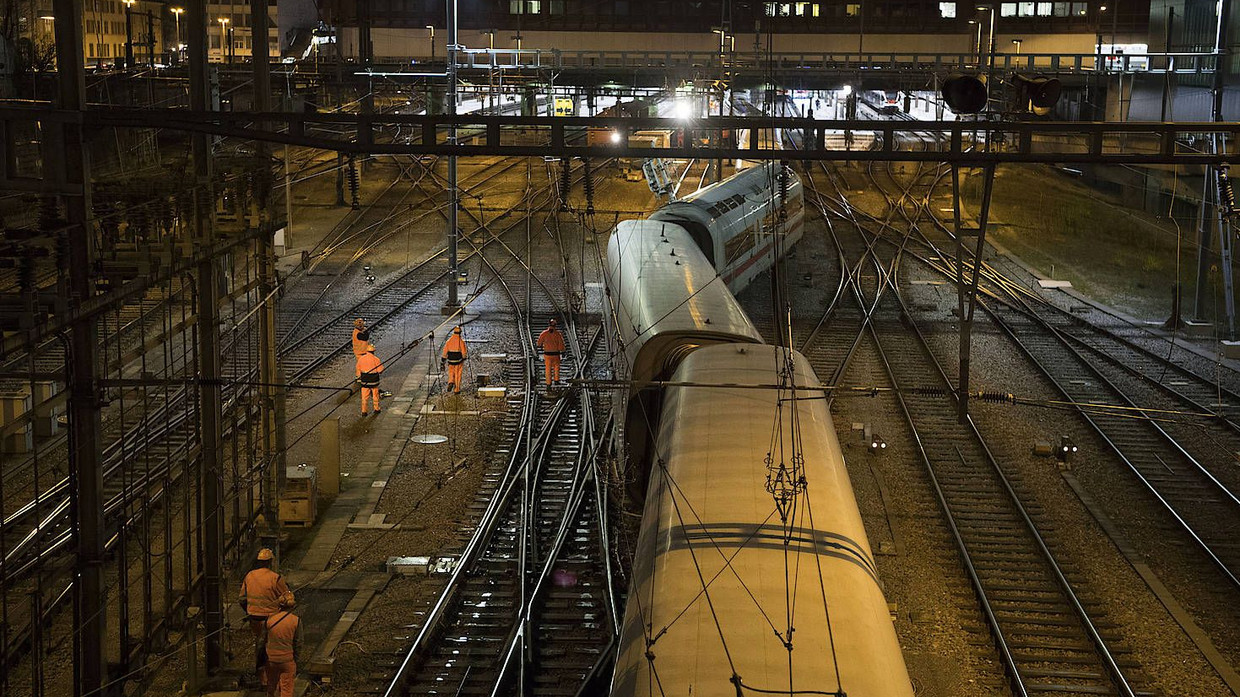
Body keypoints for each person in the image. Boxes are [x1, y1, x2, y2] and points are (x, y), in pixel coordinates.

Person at [239, 549, 290, 682]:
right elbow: (287, 599)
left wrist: (249, 610)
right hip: (271, 618)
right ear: (270, 562)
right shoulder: (275, 578)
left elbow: (242, 599)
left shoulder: (249, 576)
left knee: (259, 643)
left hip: (254, 617)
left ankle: (261, 673)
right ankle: (269, 673)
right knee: (271, 645)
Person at [260, 591, 302, 697]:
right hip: (287, 659)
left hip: (271, 659)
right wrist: (295, 658)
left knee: (271, 687)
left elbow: (262, 640)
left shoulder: (269, 619)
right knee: (287, 689)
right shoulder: (296, 620)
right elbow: (299, 642)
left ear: (279, 604)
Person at [356, 344, 384, 414]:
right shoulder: (376, 359)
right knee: (375, 396)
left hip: (365, 381)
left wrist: (359, 376)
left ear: (367, 351)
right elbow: (380, 370)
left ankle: (364, 411)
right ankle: (377, 409)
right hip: (374, 381)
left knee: (364, 397)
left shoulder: (361, 359)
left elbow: (358, 370)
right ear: (373, 351)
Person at [537, 319, 566, 386]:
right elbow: (561, 344)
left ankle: (548, 383)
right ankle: (556, 380)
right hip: (556, 354)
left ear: (549, 324)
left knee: (548, 369)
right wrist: (563, 350)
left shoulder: (544, 333)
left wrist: (541, 346)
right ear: (555, 326)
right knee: (556, 367)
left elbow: (539, 343)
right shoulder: (558, 334)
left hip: (547, 355)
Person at [441, 326, 467, 394]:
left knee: (451, 372)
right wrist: (464, 357)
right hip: (458, 360)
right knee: (458, 374)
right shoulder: (461, 341)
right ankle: (457, 389)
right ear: (460, 333)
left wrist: (443, 358)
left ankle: (450, 382)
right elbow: (463, 351)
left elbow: (445, 350)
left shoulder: (449, 341)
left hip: (450, 360)